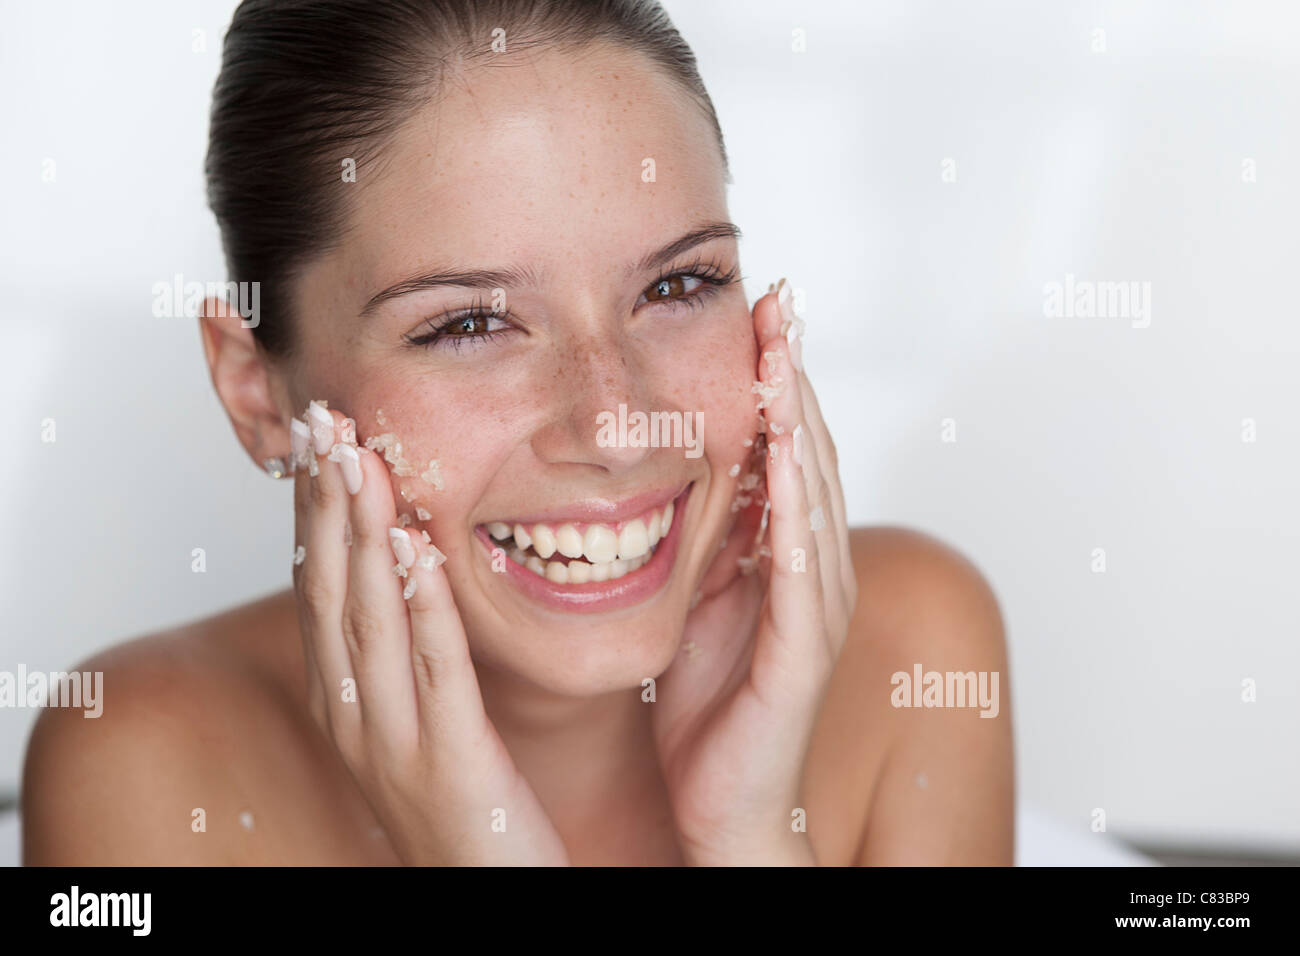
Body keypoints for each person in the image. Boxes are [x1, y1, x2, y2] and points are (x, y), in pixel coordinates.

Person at [23, 0, 1012, 865]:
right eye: (468, 324)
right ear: (252, 387)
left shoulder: (912, 653)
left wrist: (749, 832)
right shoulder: (146, 759)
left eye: (677, 284)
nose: (615, 422)